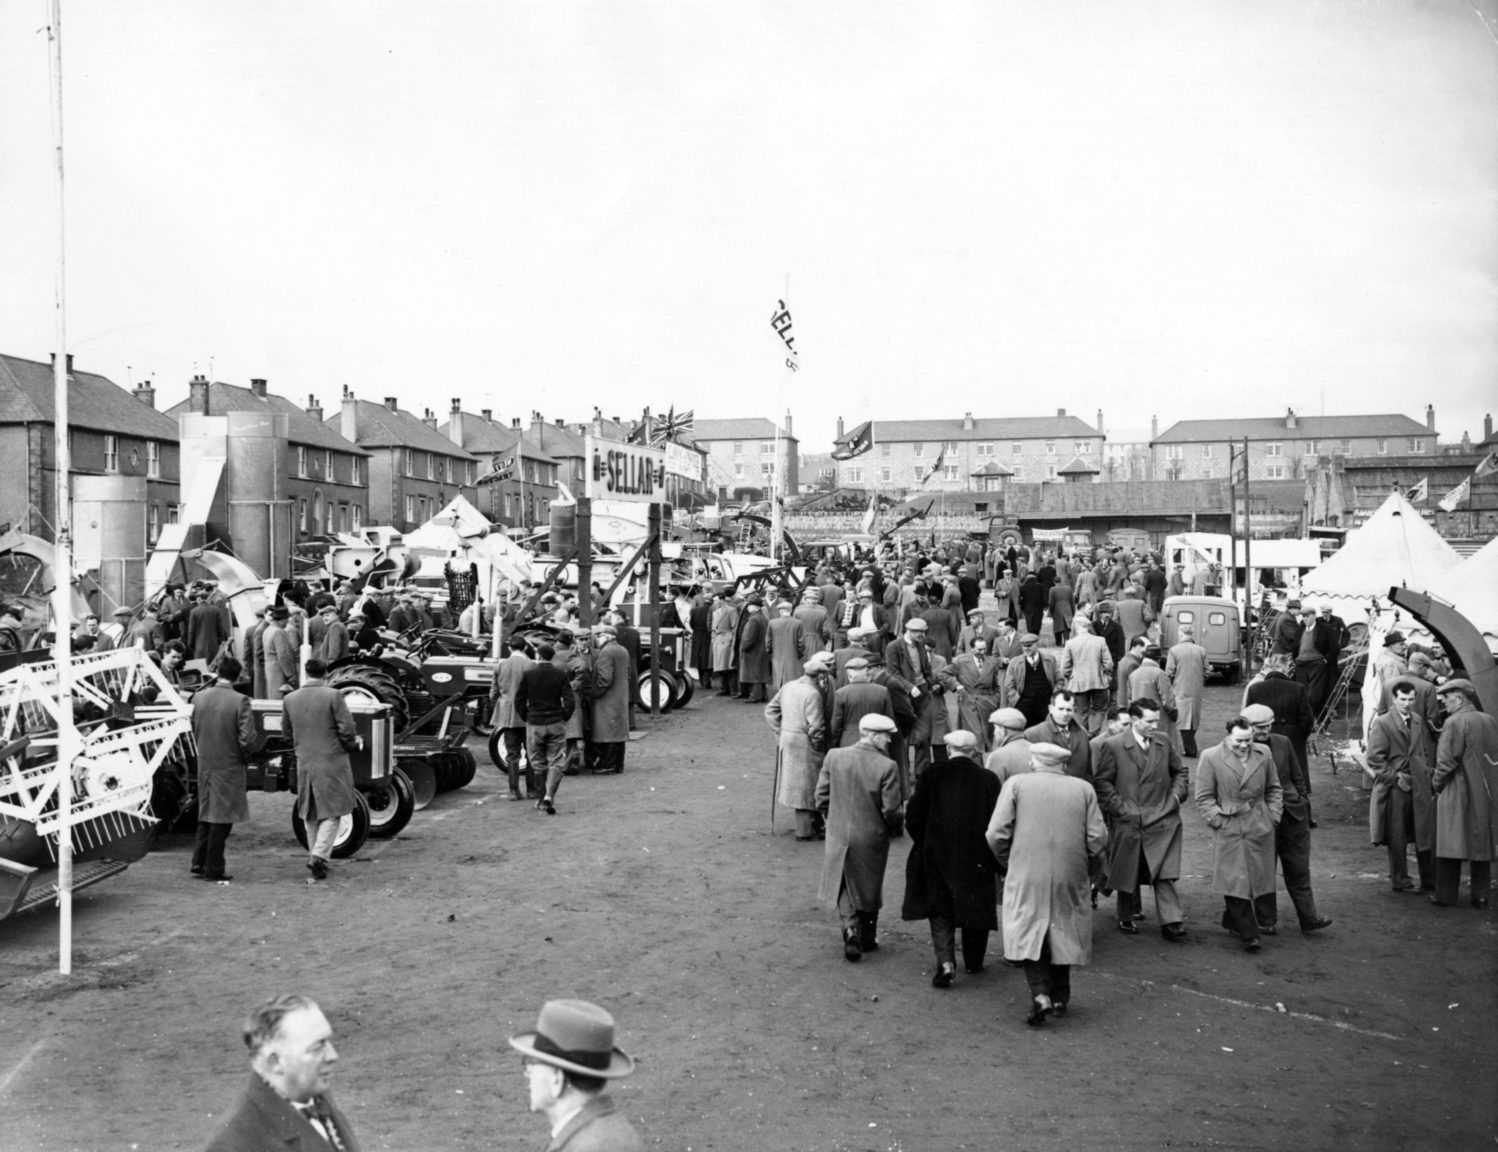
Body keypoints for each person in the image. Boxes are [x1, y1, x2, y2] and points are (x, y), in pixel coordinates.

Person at [986, 742, 1108, 1025]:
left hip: (1027, 870)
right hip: (1071, 870)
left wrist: (1010, 861)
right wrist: (1086, 865)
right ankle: (1059, 997)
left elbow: (996, 834)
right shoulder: (1082, 789)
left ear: (1034, 762)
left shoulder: (1016, 784)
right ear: (1062, 765)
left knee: (1028, 927)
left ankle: (1039, 993)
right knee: (1063, 929)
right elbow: (1097, 837)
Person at [901, 730, 1001, 987]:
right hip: (977, 854)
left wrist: (924, 841)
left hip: (937, 851)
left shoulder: (932, 774)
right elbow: (997, 823)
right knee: (975, 905)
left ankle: (945, 961)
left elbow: (913, 816)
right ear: (974, 752)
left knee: (940, 906)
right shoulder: (988, 780)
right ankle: (974, 961)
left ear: (948, 749)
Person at [204, 993, 360, 1152]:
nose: (333, 1055)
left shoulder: (312, 1092)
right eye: (317, 1047)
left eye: (328, 1041)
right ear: (275, 1062)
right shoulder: (234, 1144)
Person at [1092, 699, 1188, 940]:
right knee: (1128, 868)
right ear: (1134, 720)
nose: (1155, 725)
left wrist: (1175, 798)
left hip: (1162, 818)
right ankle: (1125, 915)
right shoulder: (1113, 746)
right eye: (1150, 721)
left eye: (1157, 720)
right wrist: (1121, 809)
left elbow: (1181, 772)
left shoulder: (1163, 742)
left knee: (1163, 871)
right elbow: (1102, 782)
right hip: (1129, 818)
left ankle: (1171, 921)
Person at [816, 713, 904, 962]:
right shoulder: (887, 766)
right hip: (871, 836)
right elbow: (891, 810)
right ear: (873, 736)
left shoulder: (835, 756)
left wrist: (832, 818)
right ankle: (867, 937)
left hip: (838, 831)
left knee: (844, 882)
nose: (888, 740)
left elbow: (821, 796)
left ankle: (850, 928)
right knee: (869, 885)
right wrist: (895, 825)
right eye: (886, 736)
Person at [1195, 716, 1283, 951]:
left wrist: (1273, 816)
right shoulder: (1211, 757)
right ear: (1227, 736)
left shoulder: (1263, 753)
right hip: (1230, 824)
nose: (1244, 745)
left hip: (1259, 822)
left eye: (1248, 740)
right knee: (1234, 877)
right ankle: (1249, 934)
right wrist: (1218, 821)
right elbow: (1203, 797)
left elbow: (1274, 787)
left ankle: (1233, 920)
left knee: (1258, 876)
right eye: (1238, 741)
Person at [1243, 704, 1333, 933]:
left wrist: (1301, 799)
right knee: (1264, 870)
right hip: (1261, 819)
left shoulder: (1282, 742)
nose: (1265, 730)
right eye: (1259, 727)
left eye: (1268, 725)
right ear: (1247, 726)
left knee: (1299, 869)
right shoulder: (1241, 748)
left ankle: (1309, 917)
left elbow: (1297, 773)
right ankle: (1266, 922)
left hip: (1293, 816)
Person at [508, 999, 641, 1151]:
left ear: (556, 1079)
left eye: (532, 1065)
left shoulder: (583, 1146)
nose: (528, 1076)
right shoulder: (615, 1129)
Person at [283, 658, 363, 882]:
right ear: (326, 673)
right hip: (332, 760)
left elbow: (287, 733)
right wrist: (351, 745)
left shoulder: (290, 699)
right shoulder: (334, 696)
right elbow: (346, 729)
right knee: (334, 811)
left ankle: (315, 854)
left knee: (310, 811)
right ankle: (319, 855)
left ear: (305, 673)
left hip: (305, 761)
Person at [188, 656, 259, 883]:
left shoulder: (199, 697)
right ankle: (213, 867)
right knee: (222, 818)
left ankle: (198, 862)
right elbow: (247, 739)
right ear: (237, 676)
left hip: (205, 762)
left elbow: (191, 728)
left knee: (206, 812)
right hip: (228, 764)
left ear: (217, 672)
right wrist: (245, 757)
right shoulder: (240, 701)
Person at [1429, 679, 1498, 909]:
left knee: (1449, 840)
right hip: (1485, 790)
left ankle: (1445, 895)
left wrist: (1436, 785)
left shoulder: (1454, 722)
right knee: (1481, 843)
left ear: (1459, 699)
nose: (1444, 704)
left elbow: (1446, 761)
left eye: (1447, 699)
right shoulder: (1489, 720)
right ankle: (1480, 896)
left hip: (1457, 789)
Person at [1366, 680, 1436, 894]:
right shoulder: (1383, 723)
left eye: (1411, 699)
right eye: (1403, 699)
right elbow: (1375, 759)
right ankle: (1400, 880)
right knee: (1397, 835)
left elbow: (1422, 750)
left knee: (1424, 831)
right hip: (1397, 787)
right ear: (1394, 699)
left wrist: (1427, 773)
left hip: (1419, 784)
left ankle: (1429, 880)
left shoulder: (1416, 719)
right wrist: (1395, 778)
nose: (1407, 703)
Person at [766, 655, 831, 841]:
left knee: (797, 782)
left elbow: (770, 711)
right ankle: (805, 830)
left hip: (788, 738)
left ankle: (813, 825)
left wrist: (780, 733)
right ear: (820, 677)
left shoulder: (788, 686)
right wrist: (818, 746)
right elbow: (816, 726)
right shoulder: (813, 694)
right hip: (805, 741)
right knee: (807, 783)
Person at [516, 642, 577, 816]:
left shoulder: (528, 675)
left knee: (537, 763)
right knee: (556, 761)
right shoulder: (560, 675)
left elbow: (519, 700)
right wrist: (563, 716)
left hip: (535, 723)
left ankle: (541, 799)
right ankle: (550, 795)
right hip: (555, 722)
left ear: (538, 656)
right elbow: (570, 701)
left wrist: (526, 716)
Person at [492, 638, 536, 801]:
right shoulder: (531, 665)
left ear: (510, 648)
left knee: (512, 754)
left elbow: (493, 692)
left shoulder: (500, 665)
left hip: (507, 713)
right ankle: (532, 790)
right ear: (525, 647)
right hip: (527, 712)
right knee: (531, 752)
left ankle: (513, 791)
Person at [1059, 616, 1113, 736]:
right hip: (1099, 681)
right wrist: (1106, 674)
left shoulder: (1070, 643)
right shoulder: (1100, 640)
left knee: (1081, 712)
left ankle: (1083, 735)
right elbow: (1108, 663)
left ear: (1076, 628)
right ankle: (1095, 732)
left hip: (1078, 683)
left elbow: (1064, 667)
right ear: (1088, 627)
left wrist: (1070, 676)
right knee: (1100, 709)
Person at [587, 625, 630, 774]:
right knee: (618, 732)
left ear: (605, 636)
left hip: (607, 699)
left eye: (598, 636)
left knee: (607, 731)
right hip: (620, 697)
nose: (597, 639)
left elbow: (605, 678)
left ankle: (607, 764)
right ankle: (618, 764)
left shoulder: (606, 652)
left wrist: (594, 693)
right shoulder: (622, 650)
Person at [829, 657, 895, 749]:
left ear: (849, 676)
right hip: (876, 741)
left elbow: (836, 726)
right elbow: (890, 719)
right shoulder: (882, 691)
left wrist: (833, 746)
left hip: (848, 742)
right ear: (867, 673)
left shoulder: (841, 693)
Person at [1023, 690, 1091, 780]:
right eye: (1061, 709)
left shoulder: (1082, 734)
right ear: (1051, 709)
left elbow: (1088, 770)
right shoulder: (1032, 734)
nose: (1065, 714)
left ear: (1074, 711)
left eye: (1069, 710)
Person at [949, 635, 1002, 751]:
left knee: (988, 736)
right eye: (979, 649)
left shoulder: (992, 662)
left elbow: (997, 684)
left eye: (984, 649)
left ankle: (985, 763)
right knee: (975, 735)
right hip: (969, 701)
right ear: (972, 649)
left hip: (988, 703)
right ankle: (976, 763)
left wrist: (996, 699)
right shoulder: (960, 661)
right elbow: (944, 674)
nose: (982, 652)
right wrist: (956, 685)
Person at [1165, 624, 1207, 757]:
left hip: (1180, 688)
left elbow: (1169, 672)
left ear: (1180, 634)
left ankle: (1190, 749)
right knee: (1194, 719)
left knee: (1182, 719)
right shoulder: (1201, 650)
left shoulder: (1174, 650)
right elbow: (1207, 670)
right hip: (1196, 690)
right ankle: (1190, 747)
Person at [1002, 632, 1058, 727]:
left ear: (1037, 645)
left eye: (1029, 646)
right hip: (1024, 706)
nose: (1025, 649)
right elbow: (1008, 686)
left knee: (1047, 733)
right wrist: (1017, 702)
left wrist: (1055, 699)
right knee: (1027, 734)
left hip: (1046, 705)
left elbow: (1060, 680)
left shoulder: (1050, 660)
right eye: (1023, 646)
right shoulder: (1014, 663)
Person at [736, 598, 770, 703]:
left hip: (753, 651)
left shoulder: (754, 619)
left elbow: (749, 637)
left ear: (755, 607)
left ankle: (755, 696)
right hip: (761, 649)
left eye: (749, 606)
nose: (748, 608)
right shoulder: (762, 617)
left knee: (754, 675)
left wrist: (744, 647)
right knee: (760, 674)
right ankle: (763, 695)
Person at [766, 601, 806, 691]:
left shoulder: (772, 622)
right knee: (793, 676)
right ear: (790, 610)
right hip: (793, 654)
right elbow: (801, 642)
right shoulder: (798, 623)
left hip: (777, 654)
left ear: (780, 611)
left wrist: (770, 651)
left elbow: (768, 641)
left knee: (778, 676)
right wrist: (800, 653)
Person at [263, 606, 298, 698]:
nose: (288, 621)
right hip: (279, 669)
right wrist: (290, 674)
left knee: (273, 695)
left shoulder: (267, 630)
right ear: (283, 619)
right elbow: (283, 655)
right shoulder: (278, 632)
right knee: (281, 696)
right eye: (287, 619)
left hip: (270, 668)